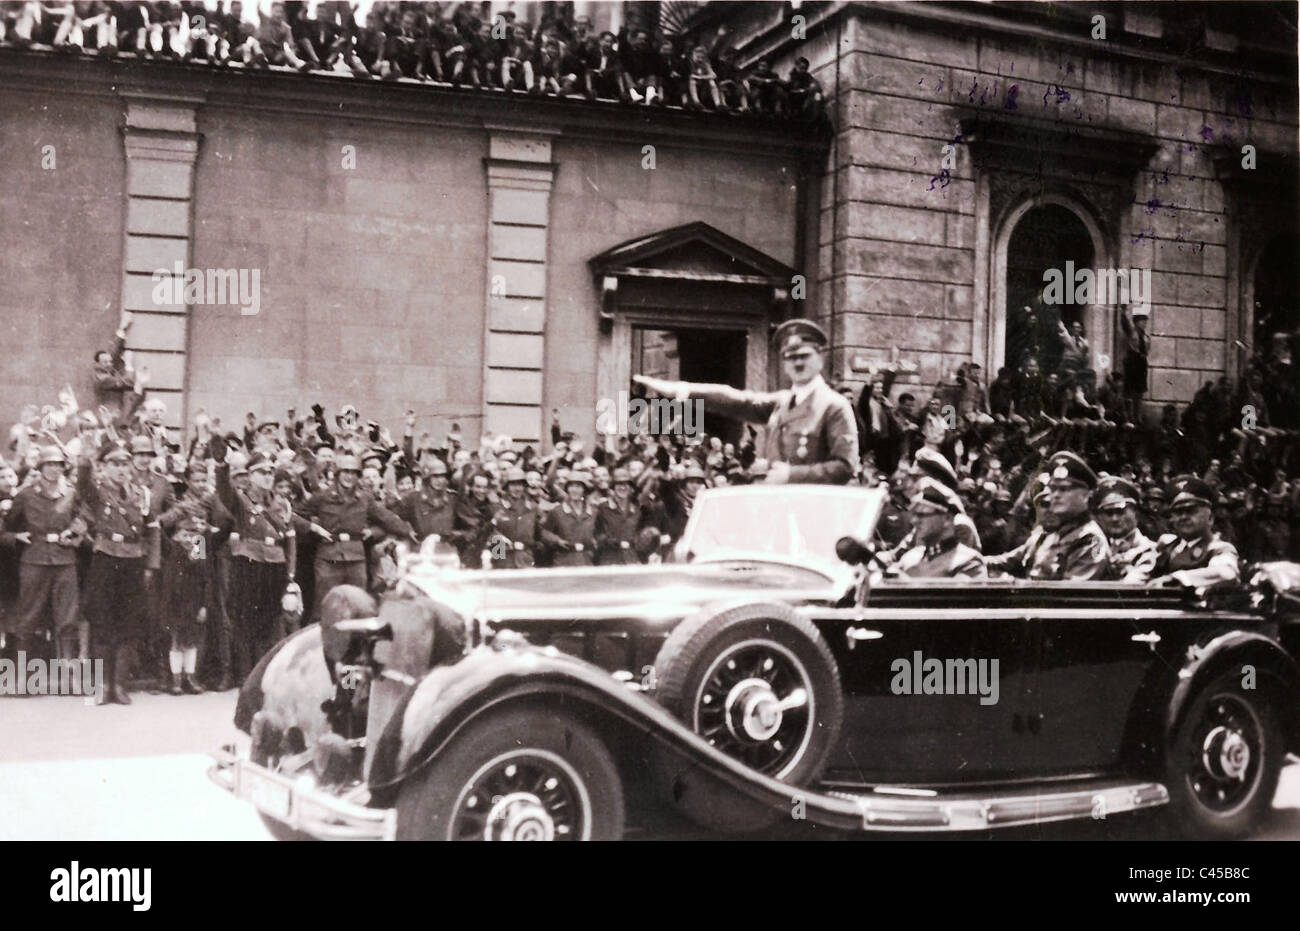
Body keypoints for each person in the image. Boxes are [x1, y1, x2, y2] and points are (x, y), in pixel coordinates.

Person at [634, 318, 859, 485]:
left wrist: (793, 474)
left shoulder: (833, 405)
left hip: (815, 510)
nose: (797, 363)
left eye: (804, 356)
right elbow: (737, 401)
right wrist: (680, 391)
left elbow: (845, 466)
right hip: (779, 506)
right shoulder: (781, 402)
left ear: (820, 358)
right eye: (790, 358)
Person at [77, 440, 160, 705]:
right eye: (115, 463)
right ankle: (102, 685)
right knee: (102, 622)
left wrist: (151, 565)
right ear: (104, 467)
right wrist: (84, 461)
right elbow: (83, 484)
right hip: (105, 557)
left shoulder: (142, 494)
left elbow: (153, 531)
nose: (121, 469)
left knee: (129, 623)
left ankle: (120, 685)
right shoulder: (98, 492)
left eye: (125, 463)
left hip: (133, 560)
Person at [1, 446, 84, 665]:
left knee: (68, 618)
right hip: (34, 559)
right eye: (49, 464)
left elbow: (83, 519)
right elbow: (5, 528)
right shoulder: (26, 495)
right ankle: (21, 675)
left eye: (58, 465)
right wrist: (15, 537)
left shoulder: (71, 493)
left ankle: (69, 675)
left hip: (64, 559)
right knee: (28, 616)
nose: (54, 469)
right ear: (40, 467)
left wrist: (75, 532)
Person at [987, 452, 1108, 580]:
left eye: (1063, 489)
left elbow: (1070, 595)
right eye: (1053, 489)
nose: (1055, 495)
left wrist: (1013, 583)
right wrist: (972, 558)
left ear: (1085, 495)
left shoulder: (1093, 542)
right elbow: (1007, 561)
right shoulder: (1047, 535)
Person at [884, 479, 986, 579]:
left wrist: (905, 584)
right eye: (915, 515)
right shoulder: (910, 557)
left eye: (922, 515)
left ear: (947, 519)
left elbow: (956, 595)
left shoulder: (969, 562)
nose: (914, 521)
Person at [1150, 477, 1240, 587]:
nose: (1183, 517)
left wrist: (1175, 578)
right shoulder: (1166, 547)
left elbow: (1226, 573)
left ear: (1210, 518)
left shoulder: (1218, 548)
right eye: (1178, 512)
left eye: (1191, 511)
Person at [1091, 476, 1157, 582]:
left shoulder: (1149, 550)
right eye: (1109, 513)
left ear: (1135, 512)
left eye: (1120, 512)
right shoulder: (1097, 548)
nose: (1115, 519)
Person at [542, 470, 597, 567]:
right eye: (571, 486)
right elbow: (545, 532)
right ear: (567, 489)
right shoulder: (557, 511)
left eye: (578, 487)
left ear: (584, 490)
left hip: (586, 559)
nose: (574, 490)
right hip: (564, 559)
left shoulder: (593, 512)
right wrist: (557, 541)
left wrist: (595, 541)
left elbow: (600, 531)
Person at [490, 467, 538, 568]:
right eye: (513, 485)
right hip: (502, 557)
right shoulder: (496, 506)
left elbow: (539, 531)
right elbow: (490, 531)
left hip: (525, 558)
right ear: (506, 487)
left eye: (520, 485)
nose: (517, 489)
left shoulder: (532, 507)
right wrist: (500, 559)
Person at [595, 467, 640, 565]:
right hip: (609, 559)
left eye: (626, 484)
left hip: (631, 558)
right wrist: (614, 542)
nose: (623, 488)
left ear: (631, 488)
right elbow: (596, 533)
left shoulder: (636, 509)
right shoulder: (603, 508)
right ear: (613, 487)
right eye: (619, 484)